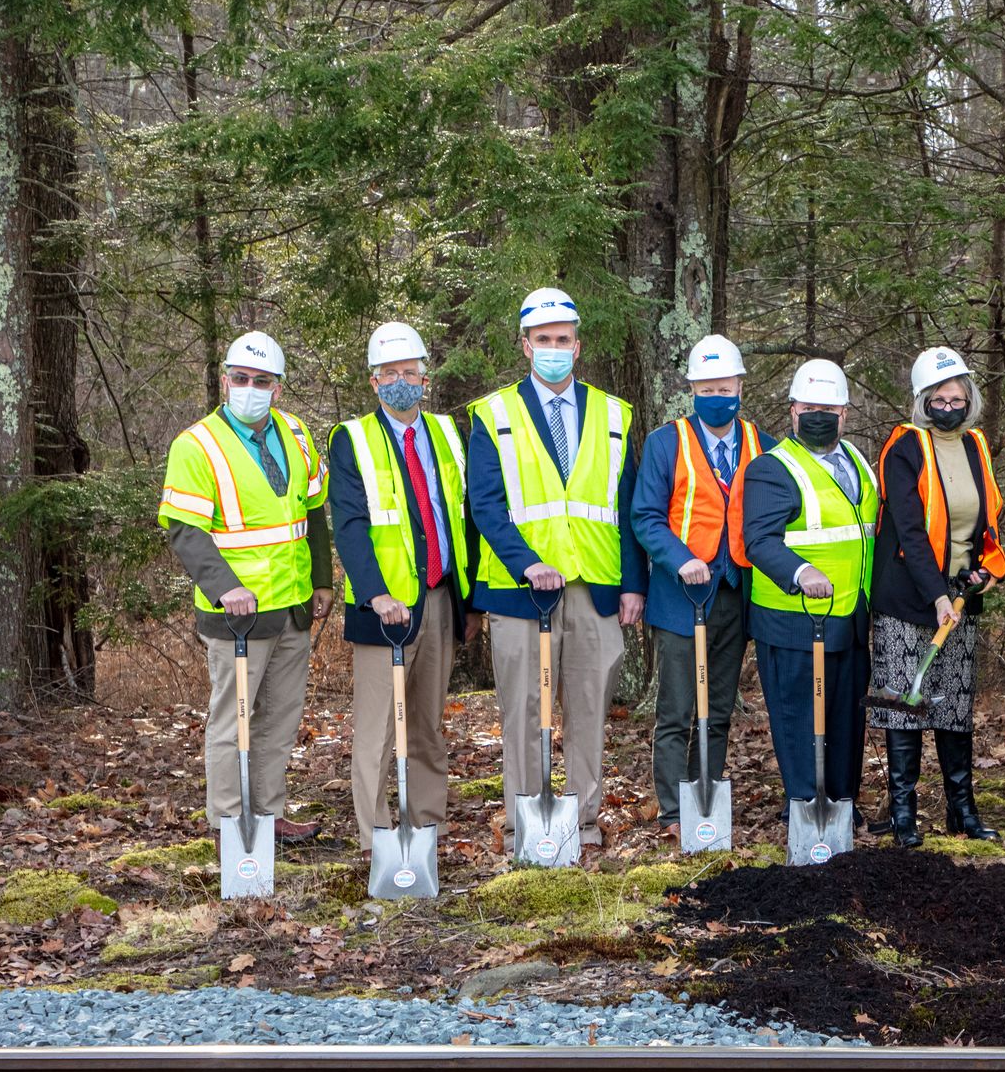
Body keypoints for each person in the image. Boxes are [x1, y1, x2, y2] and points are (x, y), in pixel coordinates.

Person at [465, 287, 640, 853]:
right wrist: (527, 562)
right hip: (521, 591)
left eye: (563, 340)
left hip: (595, 588)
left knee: (590, 709)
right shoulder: (493, 414)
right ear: (525, 346)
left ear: (578, 345)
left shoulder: (613, 414)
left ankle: (584, 822)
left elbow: (629, 504)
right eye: (544, 340)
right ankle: (527, 824)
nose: (554, 349)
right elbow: (486, 505)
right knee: (523, 711)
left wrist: (633, 582)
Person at [159, 330, 332, 842]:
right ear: (224, 380)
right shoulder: (197, 445)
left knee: (279, 721)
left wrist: (322, 579)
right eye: (241, 378)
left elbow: (313, 511)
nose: (250, 387)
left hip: (294, 607)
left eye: (262, 381)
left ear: (277, 388)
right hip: (237, 613)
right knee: (230, 722)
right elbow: (184, 529)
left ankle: (270, 813)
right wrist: (225, 587)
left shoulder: (296, 434)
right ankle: (231, 822)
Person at [327, 321, 477, 840]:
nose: (400, 380)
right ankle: (378, 839)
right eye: (389, 372)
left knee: (427, 729)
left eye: (409, 371)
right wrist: (376, 593)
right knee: (375, 731)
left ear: (424, 378)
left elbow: (464, 516)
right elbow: (348, 524)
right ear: (373, 381)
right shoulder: (352, 440)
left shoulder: (447, 434)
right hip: (384, 608)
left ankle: (426, 828)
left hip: (439, 597)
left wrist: (470, 600)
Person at [621, 333, 771, 841]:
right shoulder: (667, 443)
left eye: (724, 386)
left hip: (736, 594)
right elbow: (645, 516)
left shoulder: (761, 444)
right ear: (692, 390)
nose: (716, 396)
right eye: (705, 388)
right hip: (681, 595)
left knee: (720, 707)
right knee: (678, 709)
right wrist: (681, 559)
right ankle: (671, 809)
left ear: (740, 387)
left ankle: (706, 796)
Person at [867, 346, 1005, 846]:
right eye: (939, 399)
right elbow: (908, 528)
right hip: (909, 597)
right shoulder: (903, 446)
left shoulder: (976, 445)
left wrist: (988, 567)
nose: (949, 406)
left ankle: (961, 810)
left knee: (954, 705)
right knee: (908, 702)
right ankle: (904, 813)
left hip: (960, 595)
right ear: (922, 400)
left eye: (957, 397)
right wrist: (934, 596)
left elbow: (986, 516)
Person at [729, 358, 879, 817]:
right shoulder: (771, 469)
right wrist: (800, 573)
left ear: (845, 414)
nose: (819, 415)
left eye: (828, 407)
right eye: (810, 406)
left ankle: (841, 807)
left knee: (846, 723)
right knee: (800, 723)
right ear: (793, 411)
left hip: (850, 619)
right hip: (794, 623)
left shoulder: (857, 461)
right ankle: (804, 810)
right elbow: (758, 541)